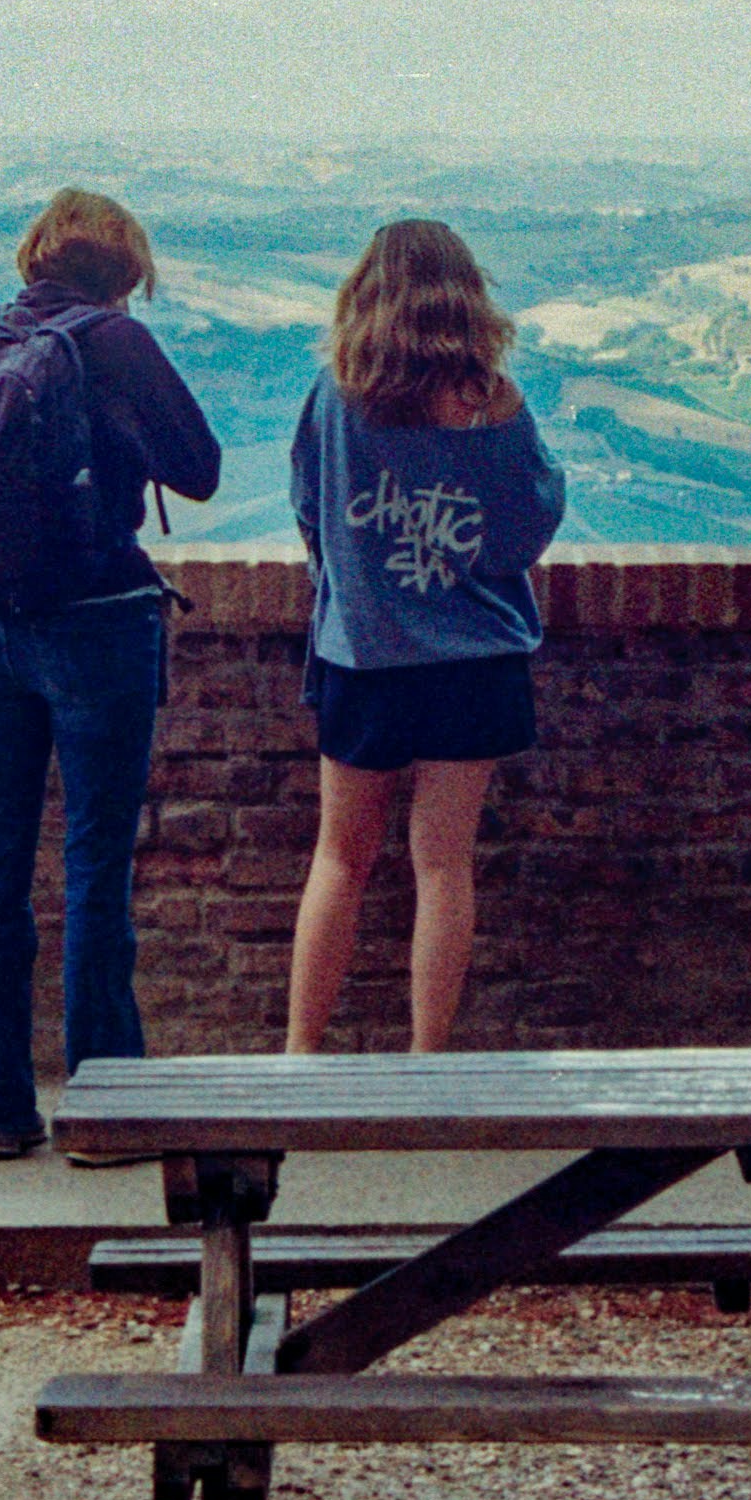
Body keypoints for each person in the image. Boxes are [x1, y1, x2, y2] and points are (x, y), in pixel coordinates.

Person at [0, 187, 221, 1159]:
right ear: (128, 267)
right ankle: (104, 1110)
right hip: (94, 624)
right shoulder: (115, 342)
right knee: (94, 863)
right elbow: (201, 468)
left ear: (36, 254)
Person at [284, 219, 565, 1053]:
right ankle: (426, 1058)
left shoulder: (335, 396)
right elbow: (525, 531)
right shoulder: (493, 403)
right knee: (442, 865)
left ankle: (299, 1054)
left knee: (339, 859)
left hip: (363, 655)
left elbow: (309, 510)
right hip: (471, 663)